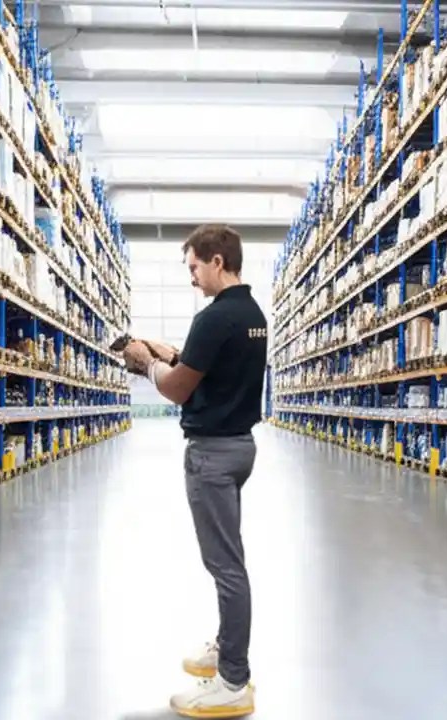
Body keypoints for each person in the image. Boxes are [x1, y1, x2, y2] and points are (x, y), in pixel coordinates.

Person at [122, 224, 268, 719]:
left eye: (193, 268)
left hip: (211, 454)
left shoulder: (213, 318)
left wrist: (146, 365)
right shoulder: (252, 315)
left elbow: (177, 391)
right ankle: (226, 647)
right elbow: (215, 371)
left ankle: (233, 680)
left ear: (217, 262)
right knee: (228, 560)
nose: (191, 278)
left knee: (225, 566)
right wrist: (175, 355)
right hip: (240, 446)